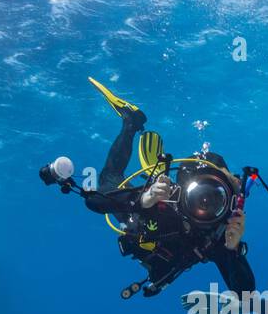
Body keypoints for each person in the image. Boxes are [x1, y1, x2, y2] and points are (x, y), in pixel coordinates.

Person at [76, 78, 253, 297]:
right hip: (144, 223)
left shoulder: (218, 233)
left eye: (216, 195)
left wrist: (232, 251)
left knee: (112, 177)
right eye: (200, 192)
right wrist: (142, 200)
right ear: (185, 188)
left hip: (166, 256)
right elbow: (94, 200)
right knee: (111, 179)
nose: (205, 201)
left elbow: (246, 293)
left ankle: (135, 129)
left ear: (228, 196)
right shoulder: (168, 200)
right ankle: (130, 124)